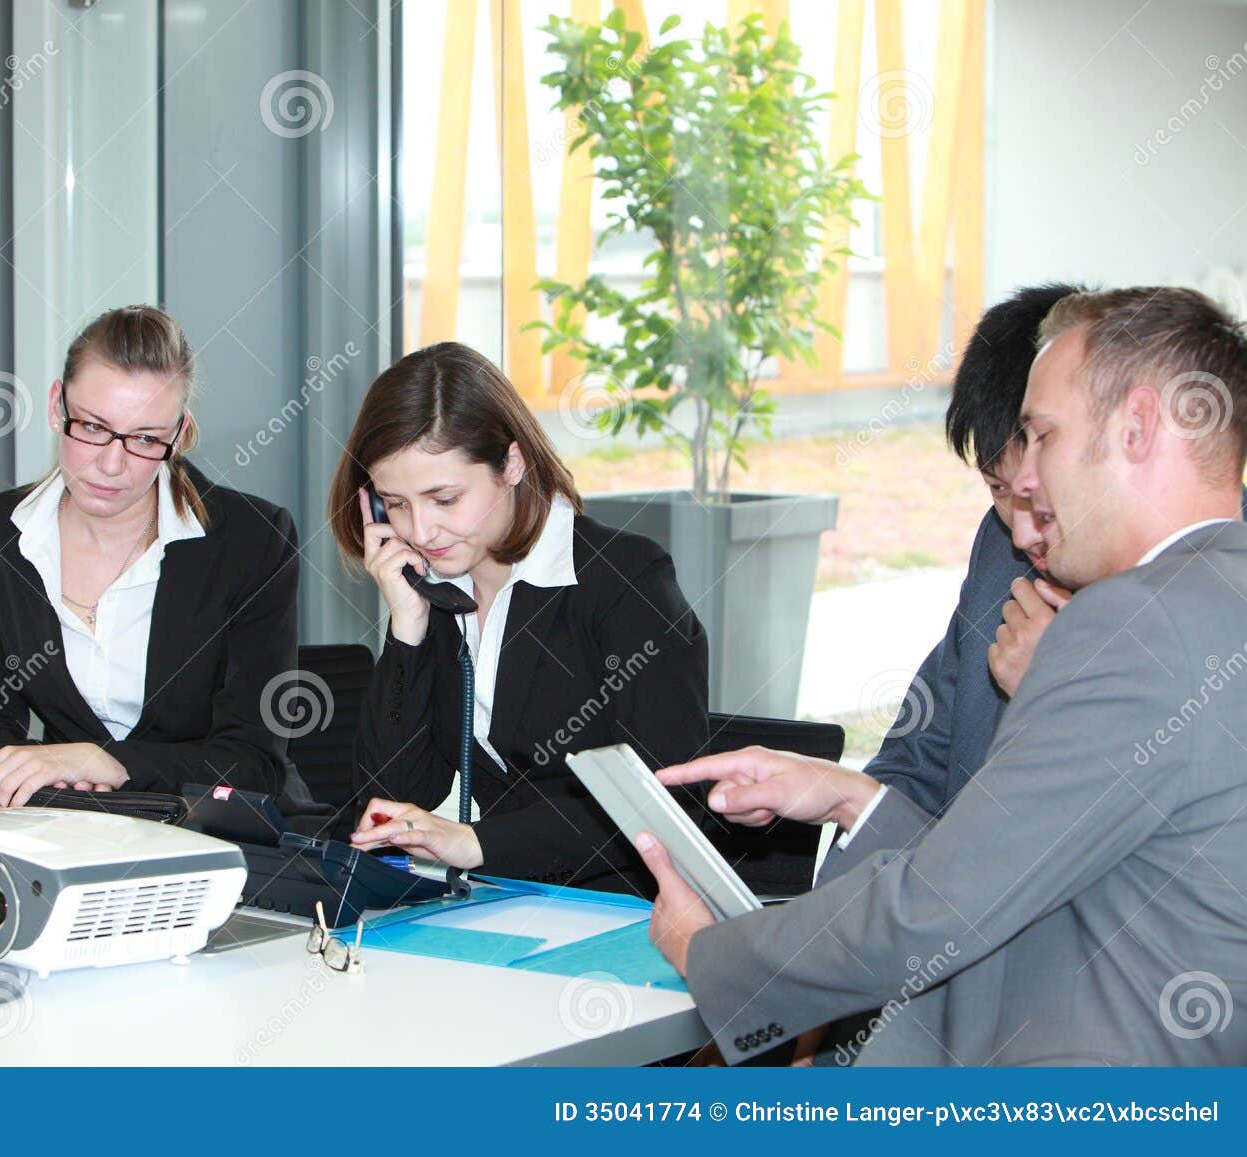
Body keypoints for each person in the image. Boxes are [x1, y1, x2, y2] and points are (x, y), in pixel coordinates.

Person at [638, 286, 1247, 1065]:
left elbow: (937, 909)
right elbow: (1023, 873)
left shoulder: (1131, 625)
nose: (1024, 478)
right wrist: (853, 797)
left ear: (1137, 426)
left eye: (1041, 436)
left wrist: (714, 952)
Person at [330, 342, 710, 893]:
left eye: (445, 498)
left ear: (511, 464)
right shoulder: (440, 589)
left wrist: (478, 842)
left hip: (630, 911)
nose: (421, 531)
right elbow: (393, 791)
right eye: (397, 503)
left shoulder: (624, 582)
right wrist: (407, 628)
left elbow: (662, 802)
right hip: (510, 903)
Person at [0, 305, 307, 810]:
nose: (111, 464)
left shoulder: (252, 541)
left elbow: (253, 763)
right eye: (93, 427)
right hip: (68, 824)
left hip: (219, 833)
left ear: (179, 433)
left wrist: (105, 762)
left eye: (145, 439)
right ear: (57, 405)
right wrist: (58, 779)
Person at [866, 284, 1081, 814]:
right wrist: (845, 802)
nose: (1022, 528)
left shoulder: (1204, 585)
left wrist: (1054, 698)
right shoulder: (1001, 551)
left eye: (1038, 494)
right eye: (998, 489)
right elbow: (916, 763)